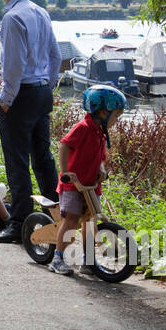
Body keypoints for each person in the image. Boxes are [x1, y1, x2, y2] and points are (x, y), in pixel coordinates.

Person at [0, 0, 63, 244]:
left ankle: (19, 224)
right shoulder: (41, 12)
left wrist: (5, 100)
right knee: (43, 159)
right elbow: (56, 56)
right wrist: (49, 86)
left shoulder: (12, 18)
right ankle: (57, 218)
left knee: (17, 160)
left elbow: (13, 67)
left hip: (21, 94)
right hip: (42, 91)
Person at [51, 86, 127, 274]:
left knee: (91, 222)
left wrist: (101, 169)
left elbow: (100, 157)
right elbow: (64, 145)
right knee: (72, 221)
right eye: (116, 116)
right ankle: (58, 258)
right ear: (102, 112)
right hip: (73, 185)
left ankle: (88, 261)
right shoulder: (83, 128)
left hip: (91, 185)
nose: (117, 121)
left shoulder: (100, 132)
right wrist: (65, 171)